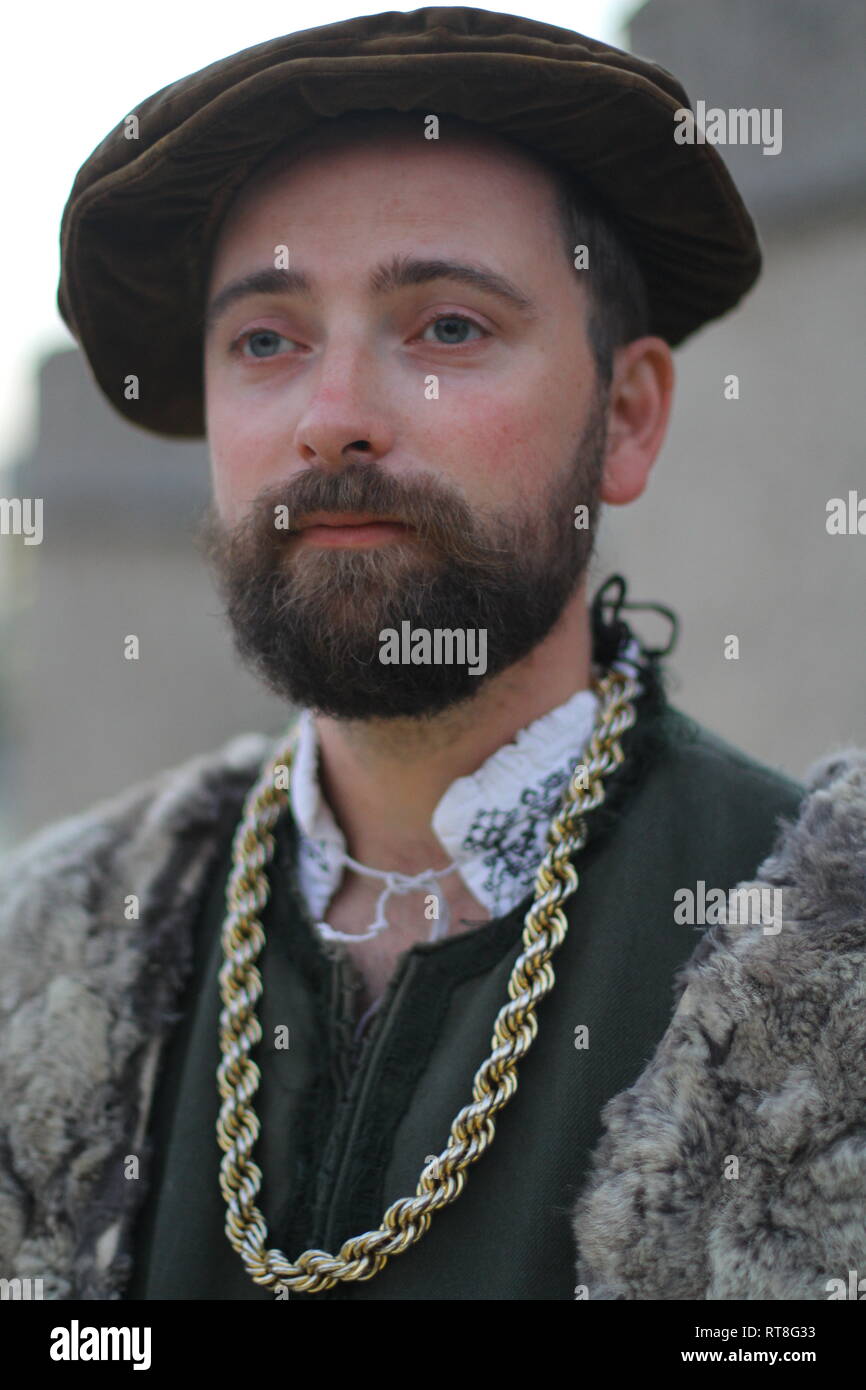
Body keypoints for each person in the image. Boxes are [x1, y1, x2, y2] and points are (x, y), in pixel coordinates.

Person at [2, 8, 865, 1302]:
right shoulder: (34, 962)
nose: (334, 417)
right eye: (266, 341)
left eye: (447, 326)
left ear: (624, 417)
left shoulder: (829, 972)